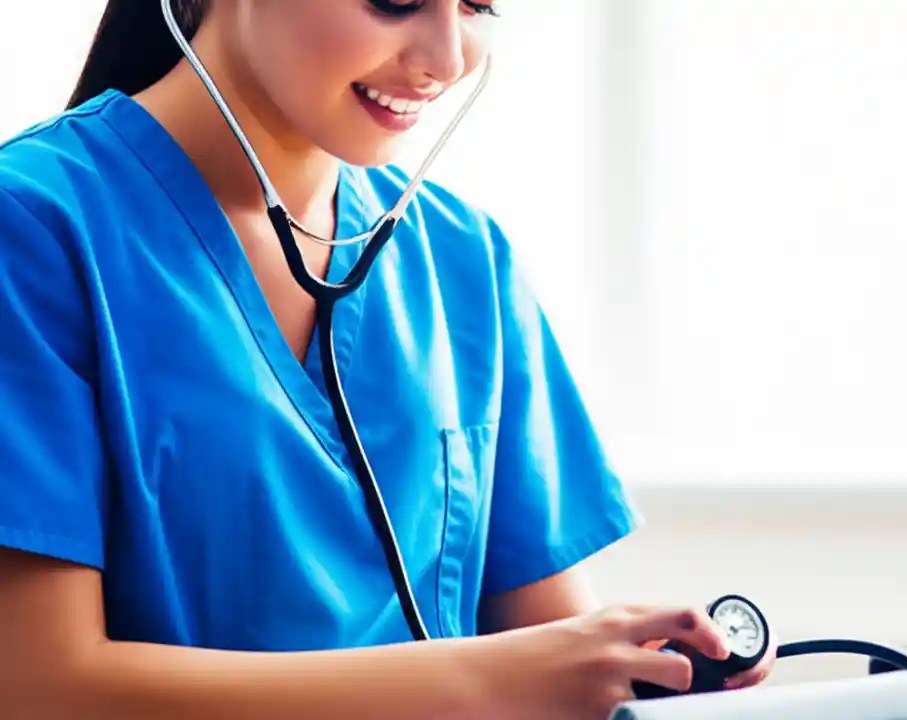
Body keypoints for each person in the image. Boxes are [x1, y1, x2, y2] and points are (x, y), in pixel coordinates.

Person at [0, 1, 774, 718]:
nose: (444, 57)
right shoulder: (33, 228)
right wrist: (494, 679)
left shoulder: (464, 256)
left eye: (477, 4)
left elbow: (560, 654)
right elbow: (37, 684)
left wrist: (653, 670)